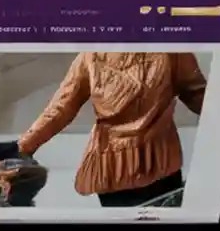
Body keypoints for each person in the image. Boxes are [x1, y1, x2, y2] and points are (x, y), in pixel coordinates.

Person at [17, 52, 206, 207]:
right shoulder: (90, 56)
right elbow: (61, 108)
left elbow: (197, 93)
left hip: (158, 164)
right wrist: (24, 146)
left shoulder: (169, 50)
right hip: (115, 170)